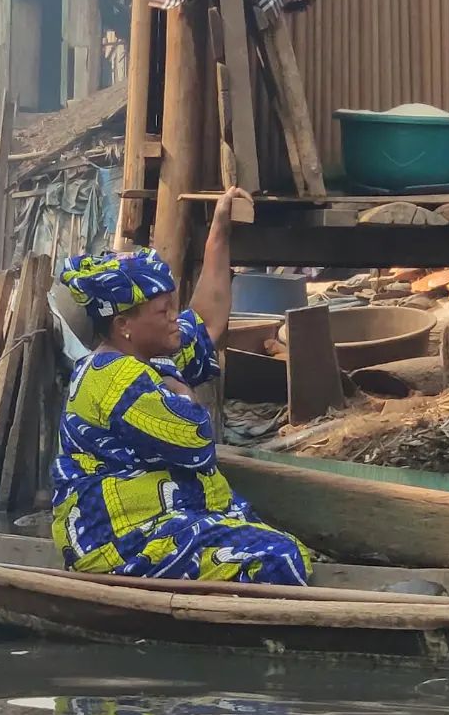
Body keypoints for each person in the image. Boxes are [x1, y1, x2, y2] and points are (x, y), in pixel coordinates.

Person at [50, 186, 313, 585]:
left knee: (278, 545)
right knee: (281, 556)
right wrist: (184, 393)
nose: (175, 317)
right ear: (124, 326)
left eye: (173, 306)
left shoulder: (148, 356)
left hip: (162, 522)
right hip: (116, 540)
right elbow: (194, 442)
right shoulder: (114, 380)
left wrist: (219, 231)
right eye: (163, 311)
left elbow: (208, 321)